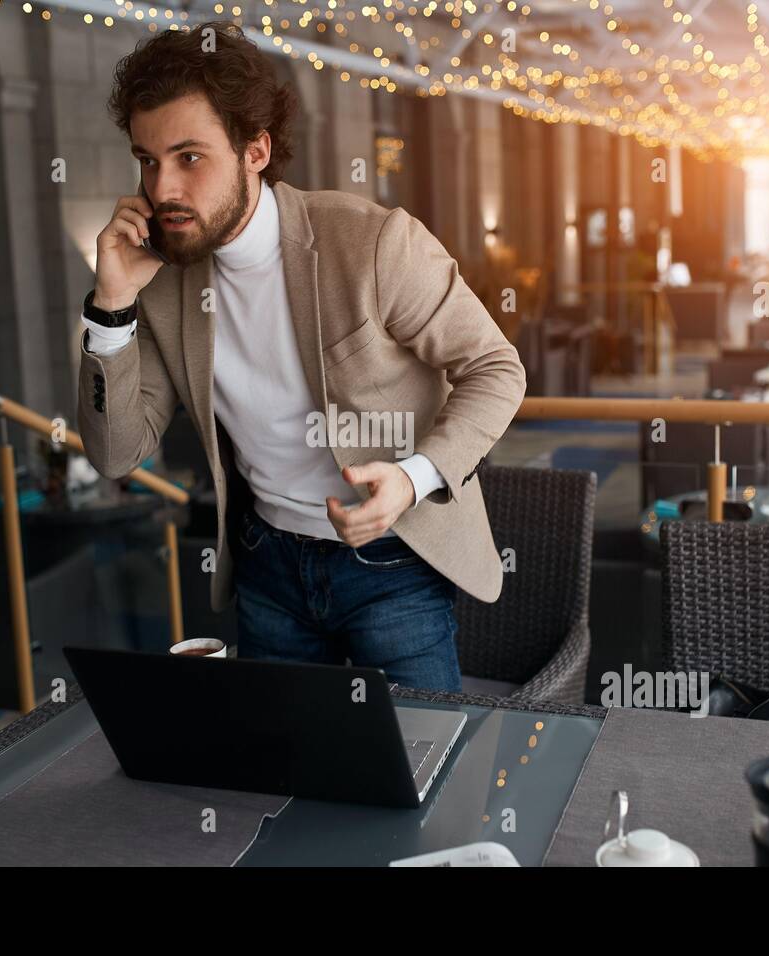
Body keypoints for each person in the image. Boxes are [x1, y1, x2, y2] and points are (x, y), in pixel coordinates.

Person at [77, 22, 525, 691]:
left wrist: (414, 476)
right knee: (283, 778)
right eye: (147, 160)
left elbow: (496, 369)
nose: (162, 187)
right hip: (268, 569)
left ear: (255, 149)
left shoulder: (372, 243)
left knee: (423, 773)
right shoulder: (162, 281)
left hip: (391, 561)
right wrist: (110, 304)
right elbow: (115, 453)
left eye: (189, 157)